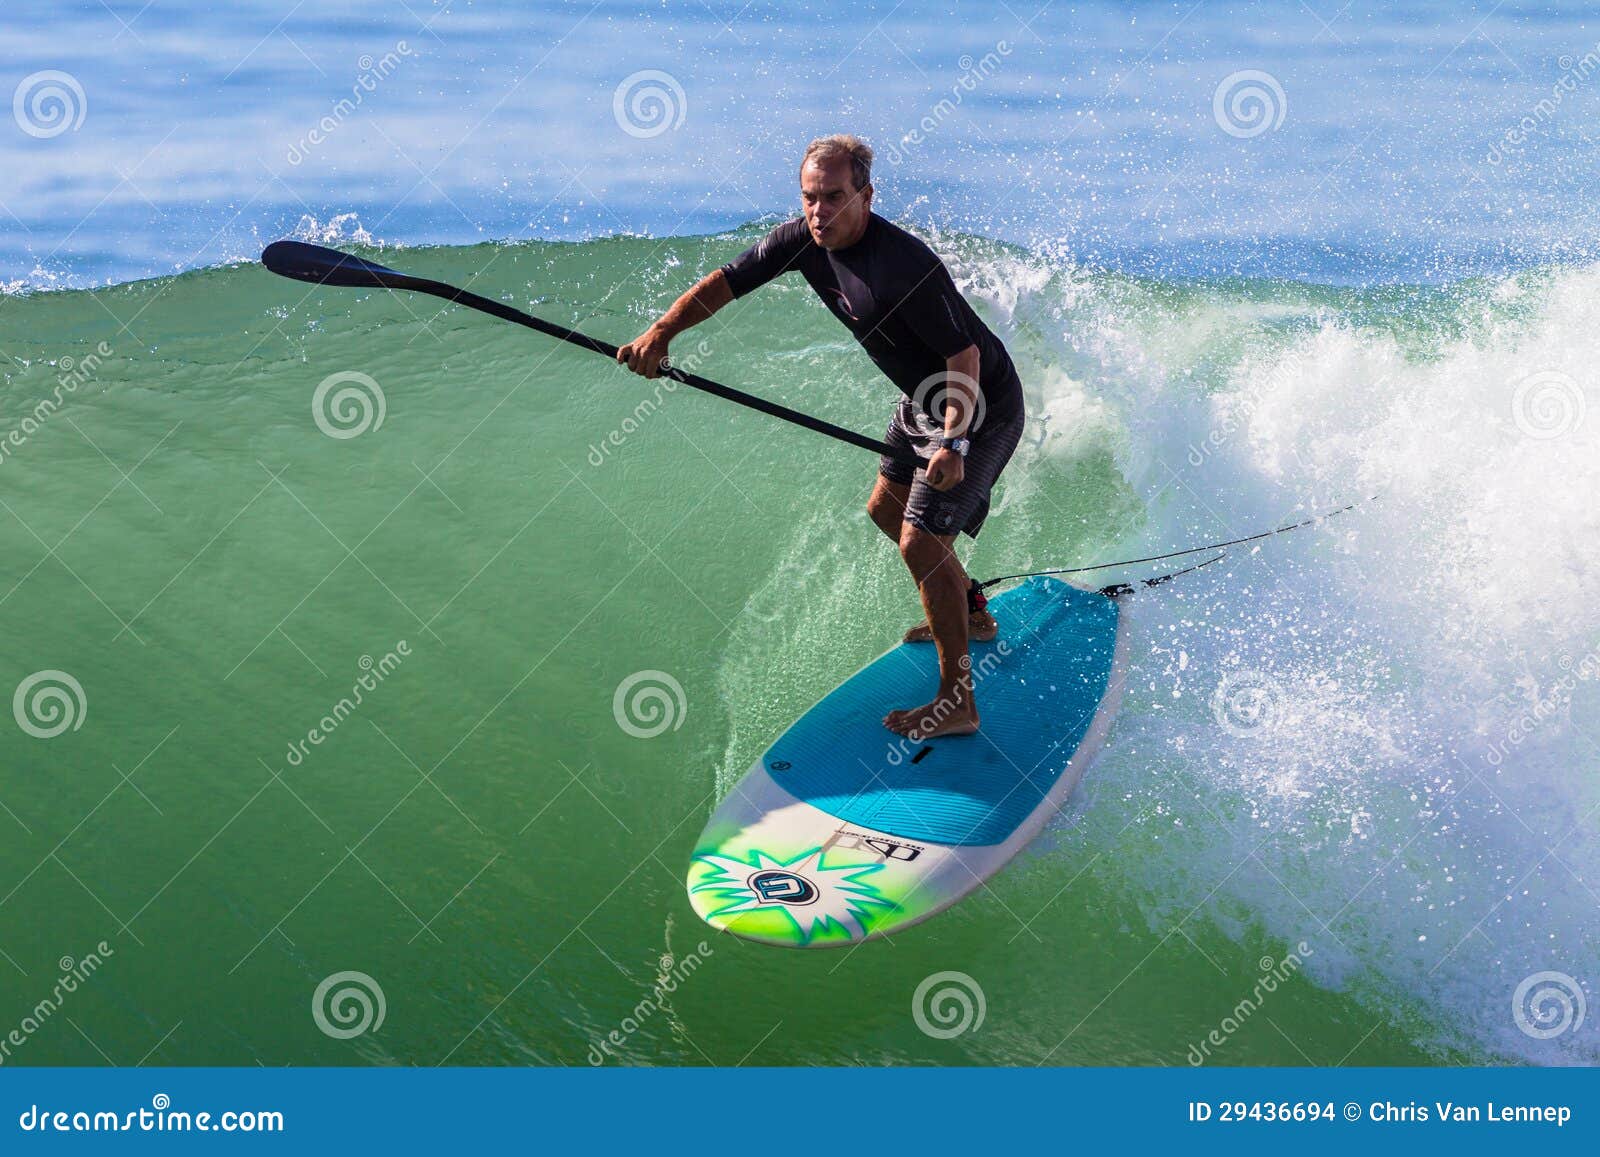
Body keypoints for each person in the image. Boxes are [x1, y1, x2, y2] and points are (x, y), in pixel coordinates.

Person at [617, 134, 1025, 738]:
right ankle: (973, 612)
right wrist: (661, 333)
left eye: (834, 197)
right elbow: (724, 283)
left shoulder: (904, 264)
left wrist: (954, 443)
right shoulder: (801, 242)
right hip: (921, 400)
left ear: (866, 193)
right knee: (885, 510)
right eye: (810, 197)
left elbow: (963, 354)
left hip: (978, 406)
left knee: (920, 540)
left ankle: (957, 703)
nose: (819, 212)